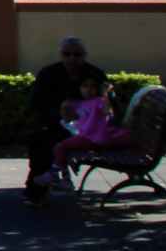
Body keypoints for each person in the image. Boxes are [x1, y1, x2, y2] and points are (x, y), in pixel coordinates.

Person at [23, 36, 107, 207]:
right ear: (61, 55)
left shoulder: (95, 74)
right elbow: (37, 104)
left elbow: (109, 105)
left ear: (84, 55)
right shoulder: (48, 73)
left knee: (52, 141)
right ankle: (35, 193)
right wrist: (60, 114)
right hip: (56, 123)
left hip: (88, 129)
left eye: (77, 54)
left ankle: (49, 183)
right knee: (42, 140)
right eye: (67, 54)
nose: (72, 58)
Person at [40, 75, 133, 188]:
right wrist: (64, 108)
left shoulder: (99, 101)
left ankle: (53, 174)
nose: (88, 89)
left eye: (92, 86)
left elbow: (108, 112)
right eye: (84, 86)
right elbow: (68, 119)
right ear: (79, 88)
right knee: (60, 149)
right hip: (85, 137)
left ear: (97, 88)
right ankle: (66, 179)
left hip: (95, 140)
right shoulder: (79, 103)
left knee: (61, 147)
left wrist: (106, 94)